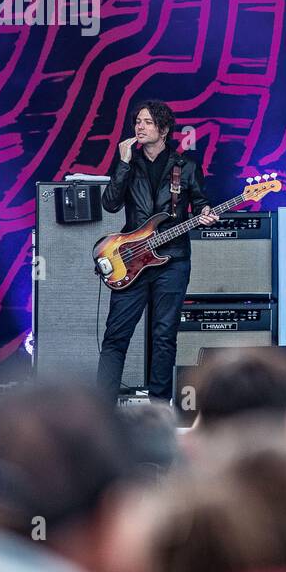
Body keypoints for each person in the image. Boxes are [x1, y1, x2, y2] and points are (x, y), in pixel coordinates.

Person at [98, 100, 218, 401]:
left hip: (172, 259)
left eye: (148, 122)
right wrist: (123, 163)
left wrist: (204, 212)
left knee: (164, 336)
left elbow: (200, 201)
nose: (140, 127)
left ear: (164, 129)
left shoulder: (185, 167)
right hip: (131, 260)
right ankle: (102, 409)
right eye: (137, 121)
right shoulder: (131, 164)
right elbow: (110, 203)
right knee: (116, 335)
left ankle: (160, 407)